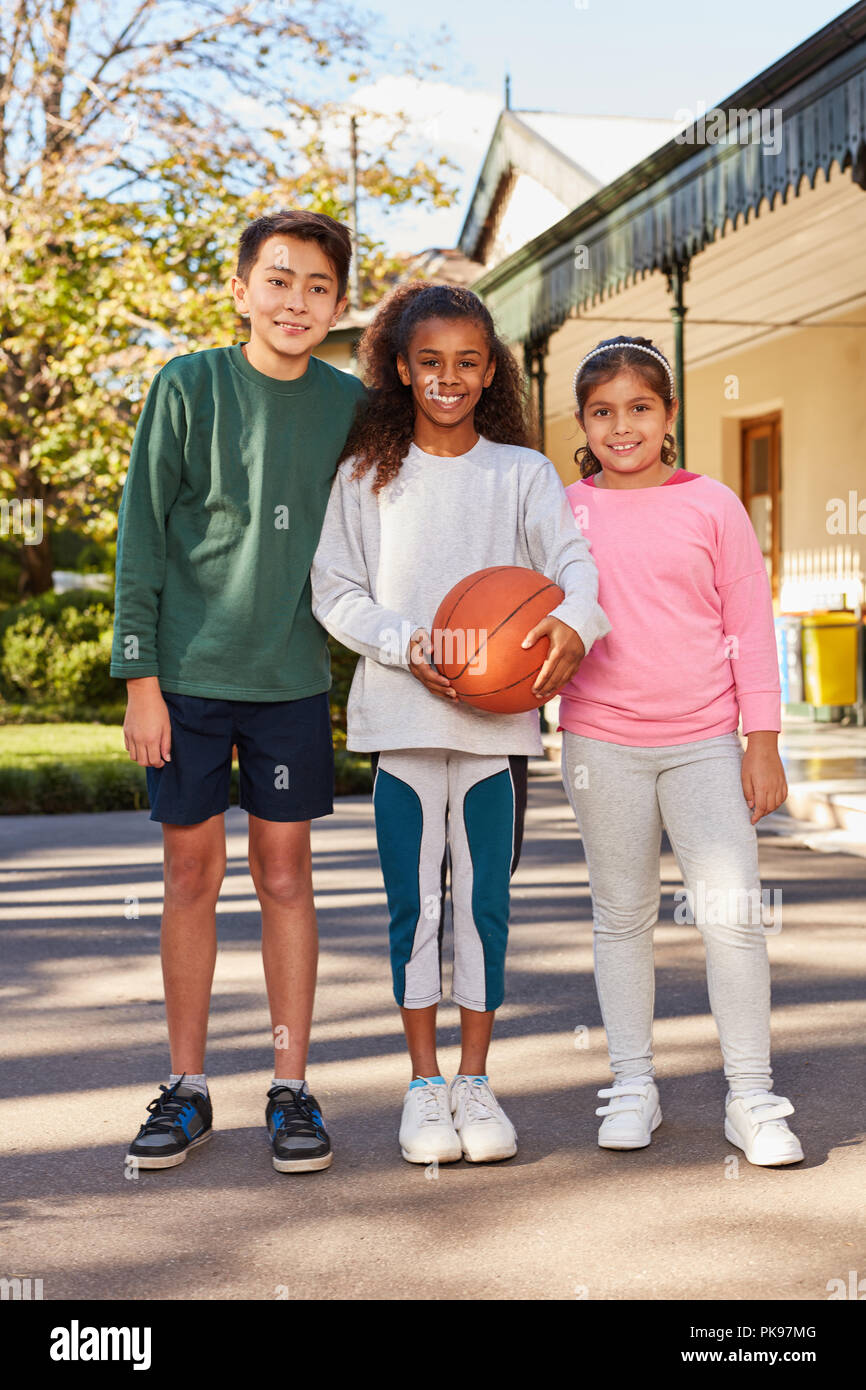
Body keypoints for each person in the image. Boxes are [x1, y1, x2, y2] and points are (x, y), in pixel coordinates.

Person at [310, 283, 610, 1165]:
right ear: (400, 368)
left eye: (467, 363)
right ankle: (421, 1085)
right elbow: (335, 590)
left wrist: (574, 623)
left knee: (483, 905)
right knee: (414, 910)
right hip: (401, 721)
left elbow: (574, 565)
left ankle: (476, 1083)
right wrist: (409, 643)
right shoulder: (366, 474)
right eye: (430, 361)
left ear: (491, 373)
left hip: (495, 734)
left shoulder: (521, 472)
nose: (448, 377)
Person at [111, 210, 366, 1174]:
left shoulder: (349, 405)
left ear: (338, 305)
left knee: (286, 878)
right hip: (184, 679)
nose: (294, 300)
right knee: (190, 878)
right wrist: (141, 678)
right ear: (240, 289)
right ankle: (185, 1089)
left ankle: (290, 1086)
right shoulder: (188, 384)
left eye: (315, 287)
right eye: (278, 279)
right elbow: (142, 532)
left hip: (290, 680)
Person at [559, 334, 803, 1166]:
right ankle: (633, 1085)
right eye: (602, 412)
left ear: (668, 416)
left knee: (732, 918)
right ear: (583, 422)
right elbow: (537, 625)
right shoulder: (564, 509)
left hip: (703, 741)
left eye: (639, 408)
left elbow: (749, 630)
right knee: (620, 916)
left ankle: (752, 1097)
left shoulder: (714, 505)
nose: (620, 427)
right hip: (601, 743)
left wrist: (760, 741)